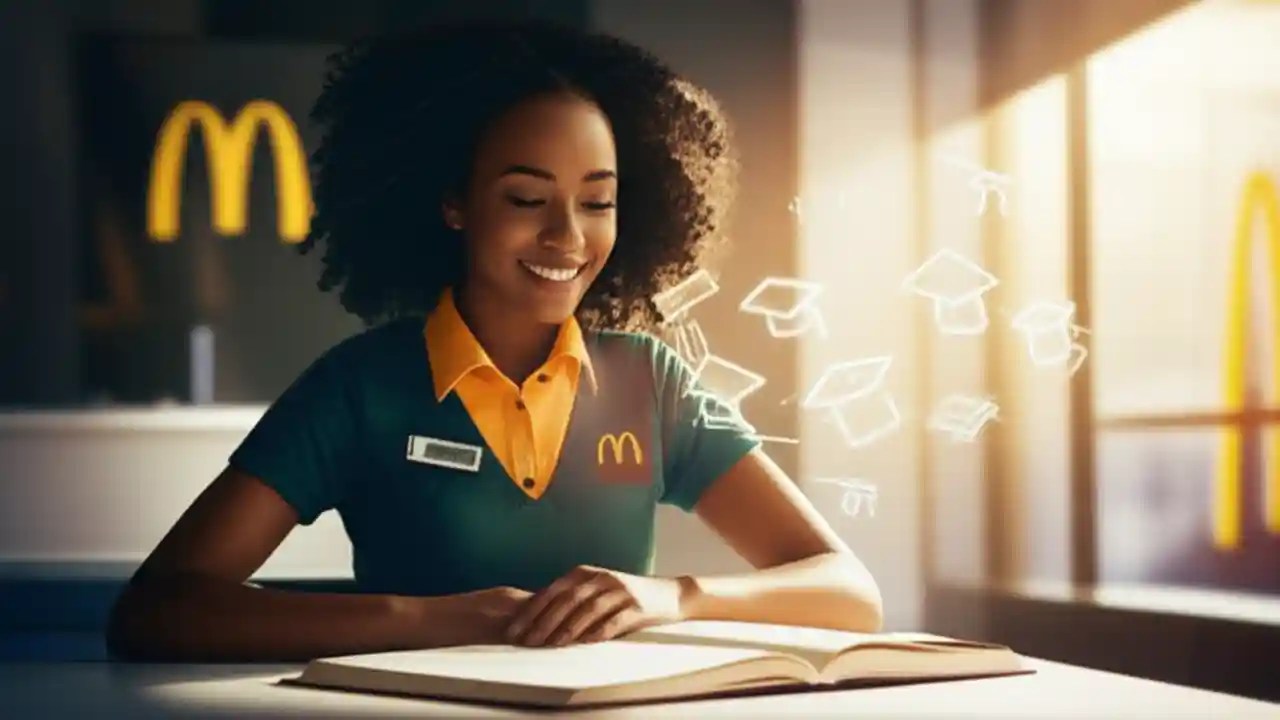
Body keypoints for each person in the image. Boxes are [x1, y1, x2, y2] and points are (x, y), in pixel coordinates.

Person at [106, 19, 882, 663]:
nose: (568, 236)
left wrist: (671, 596)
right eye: (526, 197)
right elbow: (157, 612)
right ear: (453, 202)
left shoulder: (653, 384)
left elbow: (849, 592)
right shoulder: (358, 388)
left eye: (598, 201)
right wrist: (444, 619)